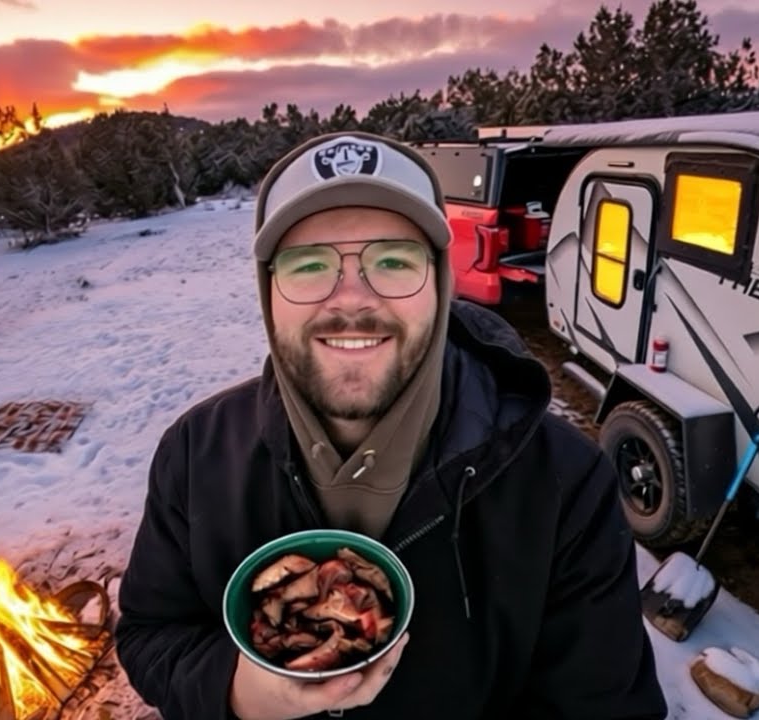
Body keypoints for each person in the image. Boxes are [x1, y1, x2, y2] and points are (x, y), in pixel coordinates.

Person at [114, 130, 668, 719]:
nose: (352, 299)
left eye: (393, 261)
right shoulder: (196, 454)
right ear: (267, 292)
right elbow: (152, 634)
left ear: (440, 284)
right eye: (309, 265)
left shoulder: (564, 483)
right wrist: (236, 693)